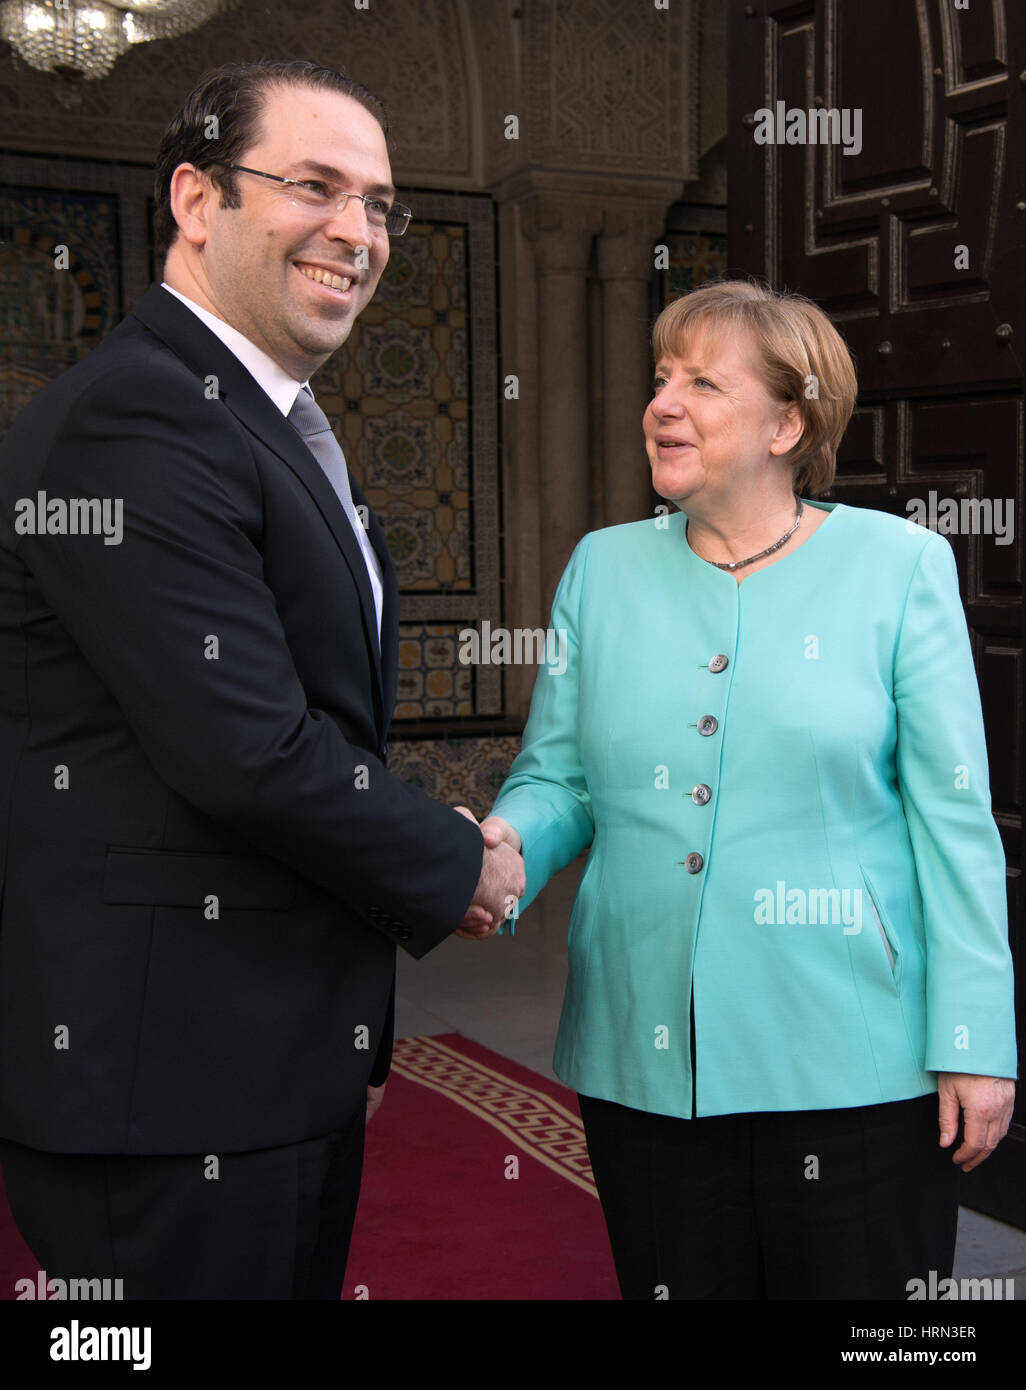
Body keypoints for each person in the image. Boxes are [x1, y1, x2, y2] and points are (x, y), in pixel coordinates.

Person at [0, 58, 523, 1300]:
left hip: (250, 1060)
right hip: (165, 1087)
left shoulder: (248, 415)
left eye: (382, 203)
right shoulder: (138, 417)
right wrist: (460, 864)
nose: (358, 231)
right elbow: (246, 747)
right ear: (196, 198)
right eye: (315, 186)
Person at [470, 280, 1017, 1300]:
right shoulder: (603, 569)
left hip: (856, 1057)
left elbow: (954, 820)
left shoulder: (899, 567)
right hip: (644, 1050)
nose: (662, 403)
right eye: (662, 377)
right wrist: (498, 852)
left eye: (703, 383)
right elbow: (561, 776)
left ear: (789, 422)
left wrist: (975, 1038)